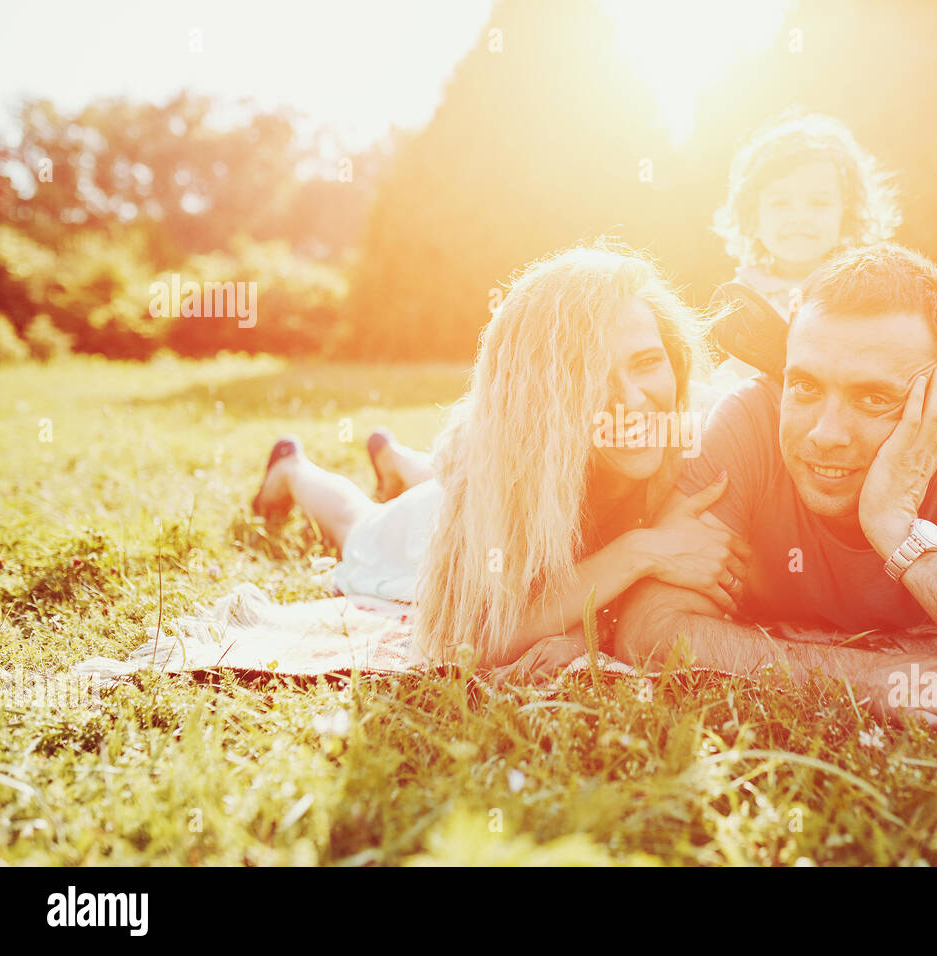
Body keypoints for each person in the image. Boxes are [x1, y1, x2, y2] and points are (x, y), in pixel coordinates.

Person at [615, 242, 937, 724]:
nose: (825, 434)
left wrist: (897, 530)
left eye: (872, 398)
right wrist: (872, 678)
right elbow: (646, 631)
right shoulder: (751, 424)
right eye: (805, 386)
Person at [251, 243, 751, 680]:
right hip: (438, 528)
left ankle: (396, 458)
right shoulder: (503, 469)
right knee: (358, 526)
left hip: (468, 490)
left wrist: (588, 628)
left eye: (647, 362)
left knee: (427, 480)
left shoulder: (699, 431)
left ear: (676, 360)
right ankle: (293, 468)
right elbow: (460, 641)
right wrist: (640, 551)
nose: (634, 401)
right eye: (589, 378)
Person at [708, 110, 900, 383]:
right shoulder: (741, 298)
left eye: (819, 203)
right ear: (753, 214)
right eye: (780, 203)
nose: (799, 218)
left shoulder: (860, 291)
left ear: (845, 212)